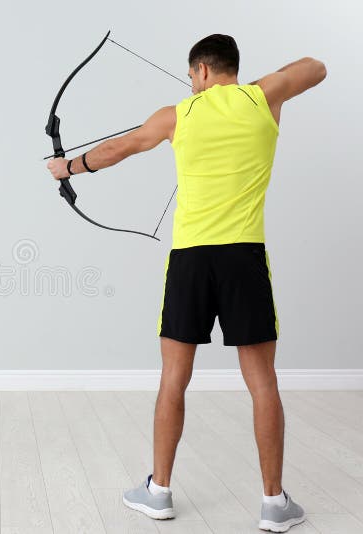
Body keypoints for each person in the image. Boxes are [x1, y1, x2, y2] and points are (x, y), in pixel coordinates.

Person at [46, 34, 326, 532]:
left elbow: (119, 148)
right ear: (232, 67)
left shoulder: (178, 114)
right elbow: (316, 67)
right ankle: (273, 504)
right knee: (262, 381)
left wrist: (67, 166)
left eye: (192, 77)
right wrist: (256, 91)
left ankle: (158, 493)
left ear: (200, 71)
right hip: (244, 258)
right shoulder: (264, 98)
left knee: (174, 376)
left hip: (191, 261)